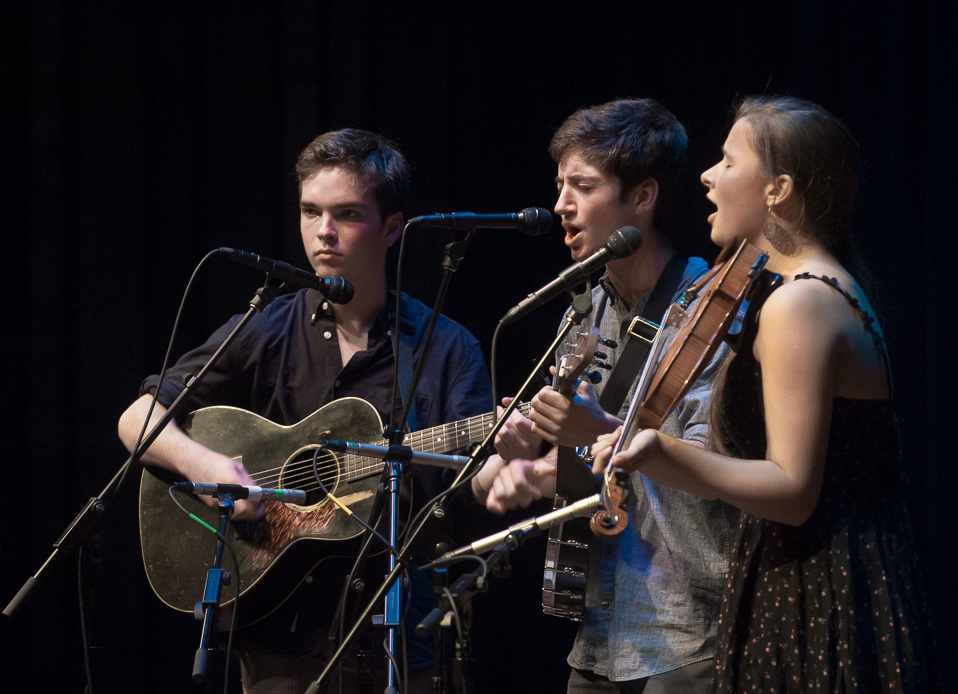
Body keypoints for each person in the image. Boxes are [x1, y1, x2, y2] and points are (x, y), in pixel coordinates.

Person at [118, 129, 492, 693]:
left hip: (398, 639)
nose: (323, 233)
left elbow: (476, 484)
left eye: (345, 214)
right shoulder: (268, 323)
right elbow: (137, 418)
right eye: (310, 212)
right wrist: (204, 466)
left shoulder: (446, 345)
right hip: (278, 634)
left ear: (392, 228)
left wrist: (511, 463)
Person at [590, 95, 936, 691]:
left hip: (817, 589)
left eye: (728, 162)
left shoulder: (801, 301)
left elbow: (793, 490)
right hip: (816, 579)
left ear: (777, 189)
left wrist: (659, 453)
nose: (707, 175)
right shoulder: (816, 289)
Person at [471, 99, 739, 692]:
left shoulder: (709, 311)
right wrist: (523, 465)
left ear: (642, 197)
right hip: (595, 635)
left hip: (685, 633)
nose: (561, 204)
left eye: (583, 186)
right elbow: (584, 469)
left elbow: (714, 466)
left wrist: (592, 433)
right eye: (560, 184)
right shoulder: (582, 313)